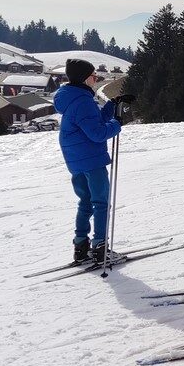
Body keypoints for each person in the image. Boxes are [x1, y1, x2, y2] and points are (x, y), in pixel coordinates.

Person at [55, 59, 125, 263]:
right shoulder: (83, 101)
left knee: (85, 201)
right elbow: (97, 133)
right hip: (91, 159)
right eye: (93, 75)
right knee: (101, 203)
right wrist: (117, 123)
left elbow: (92, 121)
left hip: (76, 160)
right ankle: (100, 247)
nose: (96, 79)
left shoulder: (71, 97)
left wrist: (112, 105)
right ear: (85, 78)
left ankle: (80, 245)